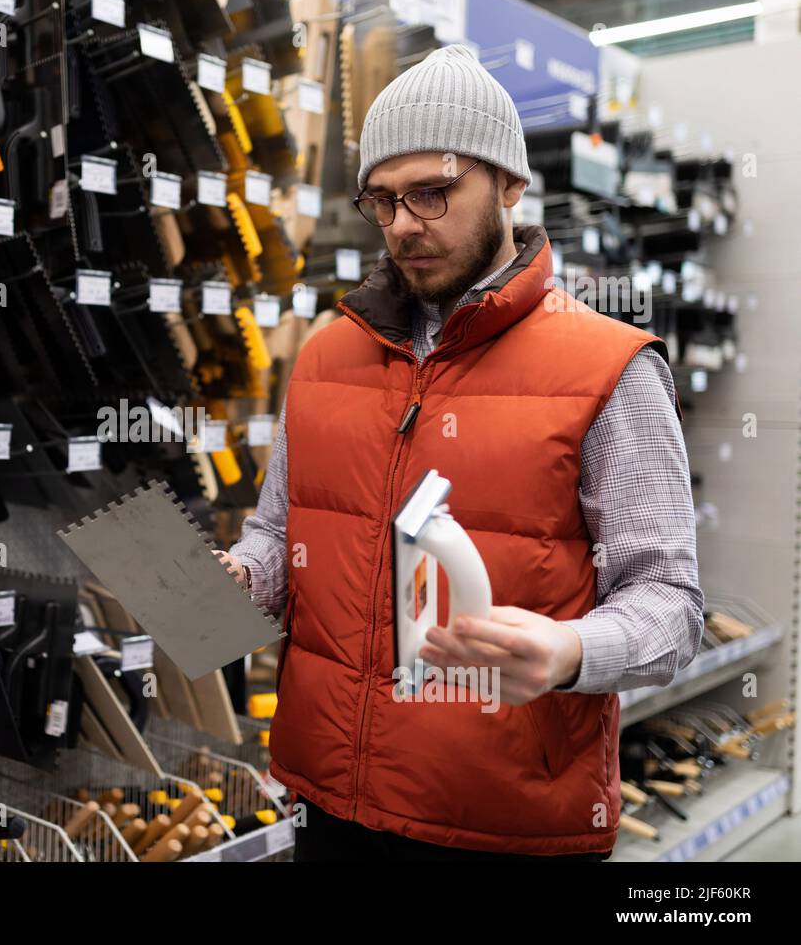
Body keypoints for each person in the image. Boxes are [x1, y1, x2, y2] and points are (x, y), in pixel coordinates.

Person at [214, 44, 702, 861]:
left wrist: (571, 650)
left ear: (511, 186)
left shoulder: (610, 370)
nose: (405, 224)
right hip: (327, 805)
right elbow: (280, 532)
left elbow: (672, 606)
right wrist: (242, 578)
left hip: (505, 829)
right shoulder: (328, 358)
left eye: (434, 194)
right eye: (384, 200)